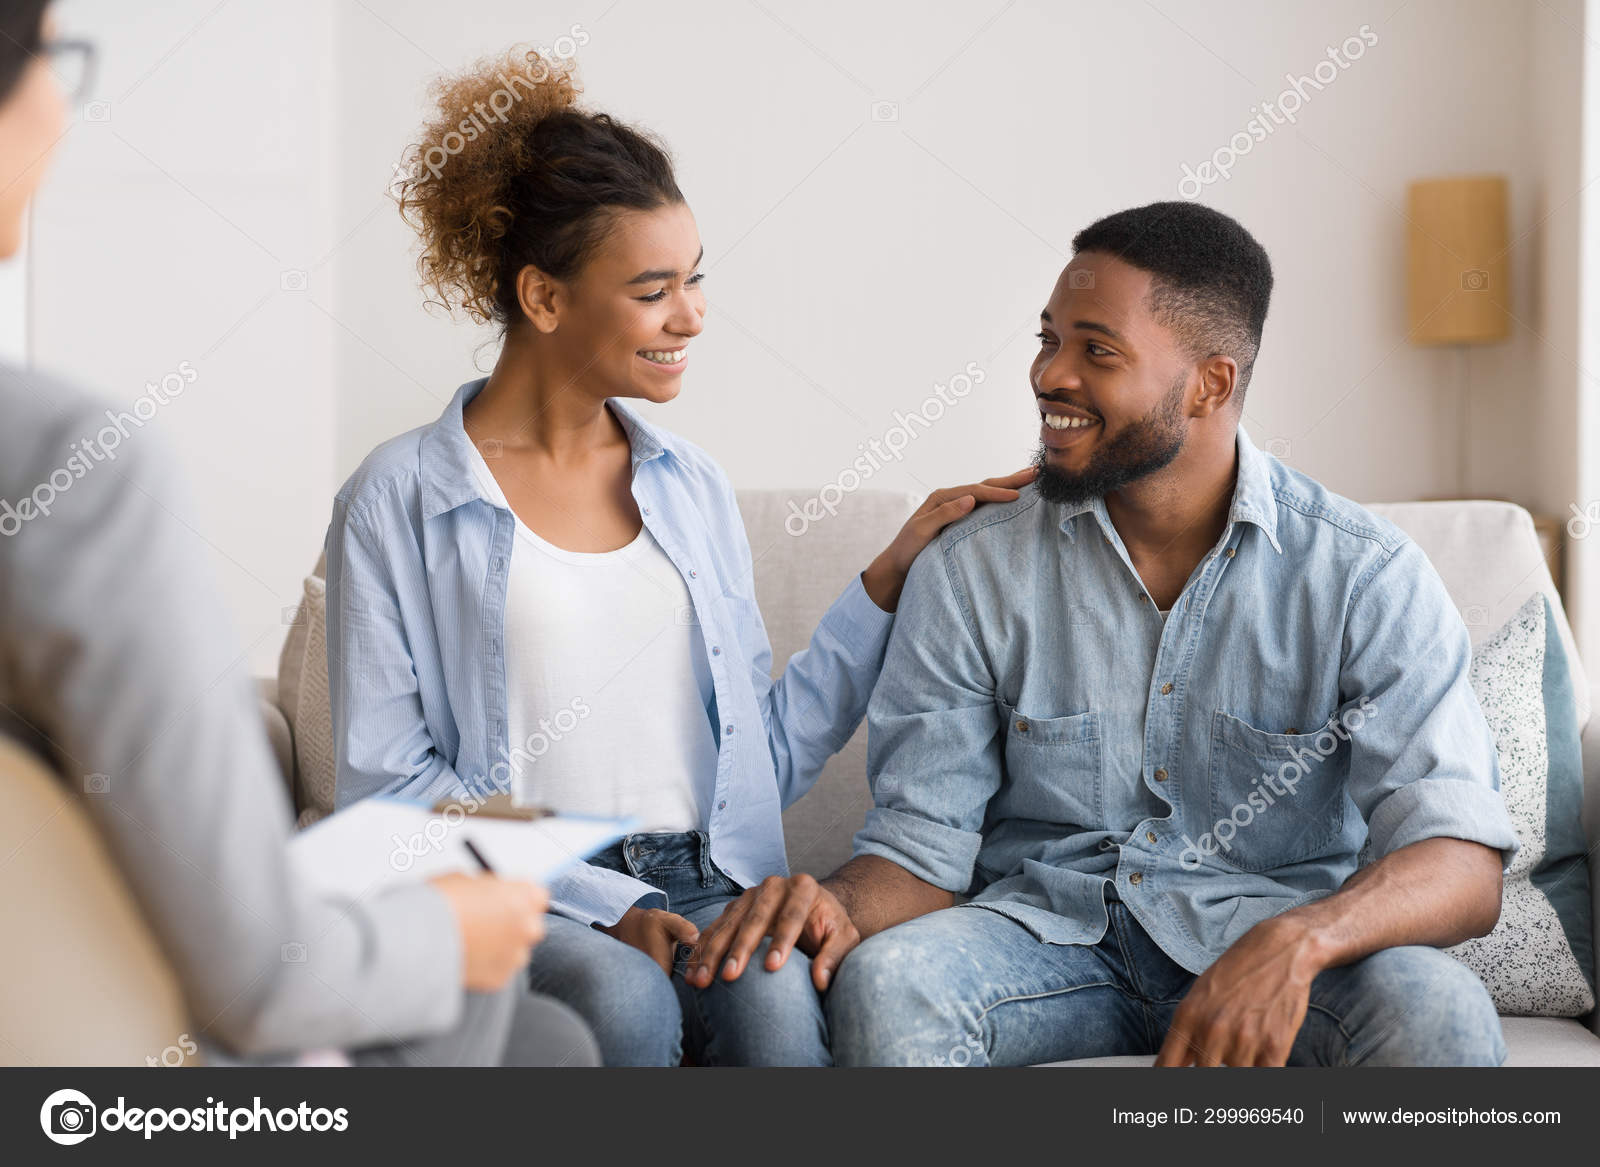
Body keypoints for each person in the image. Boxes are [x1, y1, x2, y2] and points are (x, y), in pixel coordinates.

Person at [327, 46, 1032, 1067]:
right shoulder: (399, 499)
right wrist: (604, 905)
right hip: (531, 897)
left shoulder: (686, 485)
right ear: (544, 297)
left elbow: (762, 756)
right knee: (622, 1005)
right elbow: (385, 788)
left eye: (695, 279)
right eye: (653, 290)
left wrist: (884, 581)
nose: (692, 317)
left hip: (712, 878)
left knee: (778, 1008)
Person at [690, 201, 1519, 1067]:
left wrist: (1302, 940)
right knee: (891, 980)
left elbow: (1458, 857)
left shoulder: (1364, 576)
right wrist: (830, 903)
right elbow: (919, 849)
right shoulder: (969, 567)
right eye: (1048, 340)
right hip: (1043, 941)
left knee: (1436, 1007)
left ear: (1210, 383)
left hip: (1272, 946)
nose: (1050, 374)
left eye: (1097, 351)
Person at [0, 1, 593, 1067]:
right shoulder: (65, 465)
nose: (58, 104)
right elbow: (265, 976)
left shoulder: (684, 491)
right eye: (51, 60)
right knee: (511, 1010)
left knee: (550, 1040)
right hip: (124, 1041)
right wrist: (448, 926)